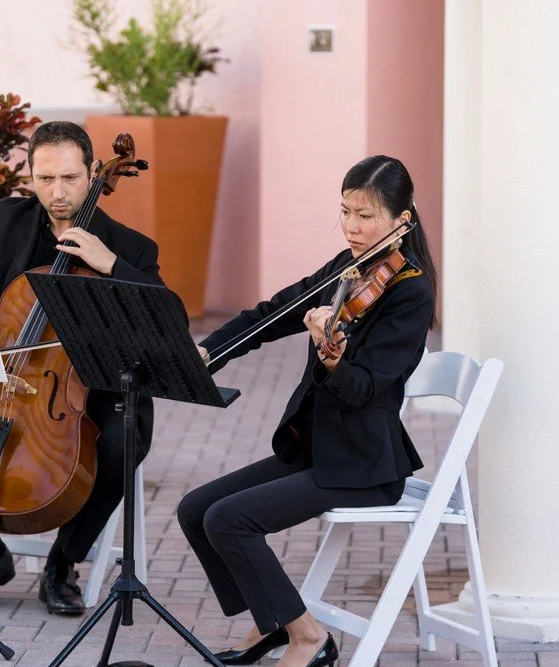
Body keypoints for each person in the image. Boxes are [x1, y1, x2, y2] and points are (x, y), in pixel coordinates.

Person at [178, 155, 437, 667]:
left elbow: (366, 389)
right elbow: (272, 314)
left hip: (363, 463)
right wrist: (207, 353)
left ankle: (307, 637)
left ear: (400, 221)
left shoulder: (411, 292)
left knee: (229, 520)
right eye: (346, 212)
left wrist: (333, 354)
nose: (353, 227)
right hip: (318, 448)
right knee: (194, 509)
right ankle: (274, 621)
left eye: (366, 216)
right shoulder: (349, 269)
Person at [0, 121, 165, 616]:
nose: (57, 193)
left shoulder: (130, 247)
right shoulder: (10, 221)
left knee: (121, 439)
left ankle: (62, 563)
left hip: (90, 393)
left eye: (69, 178)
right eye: (45, 180)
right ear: (31, 176)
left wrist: (110, 265)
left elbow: (160, 315)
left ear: (93, 173)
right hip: (3, 382)